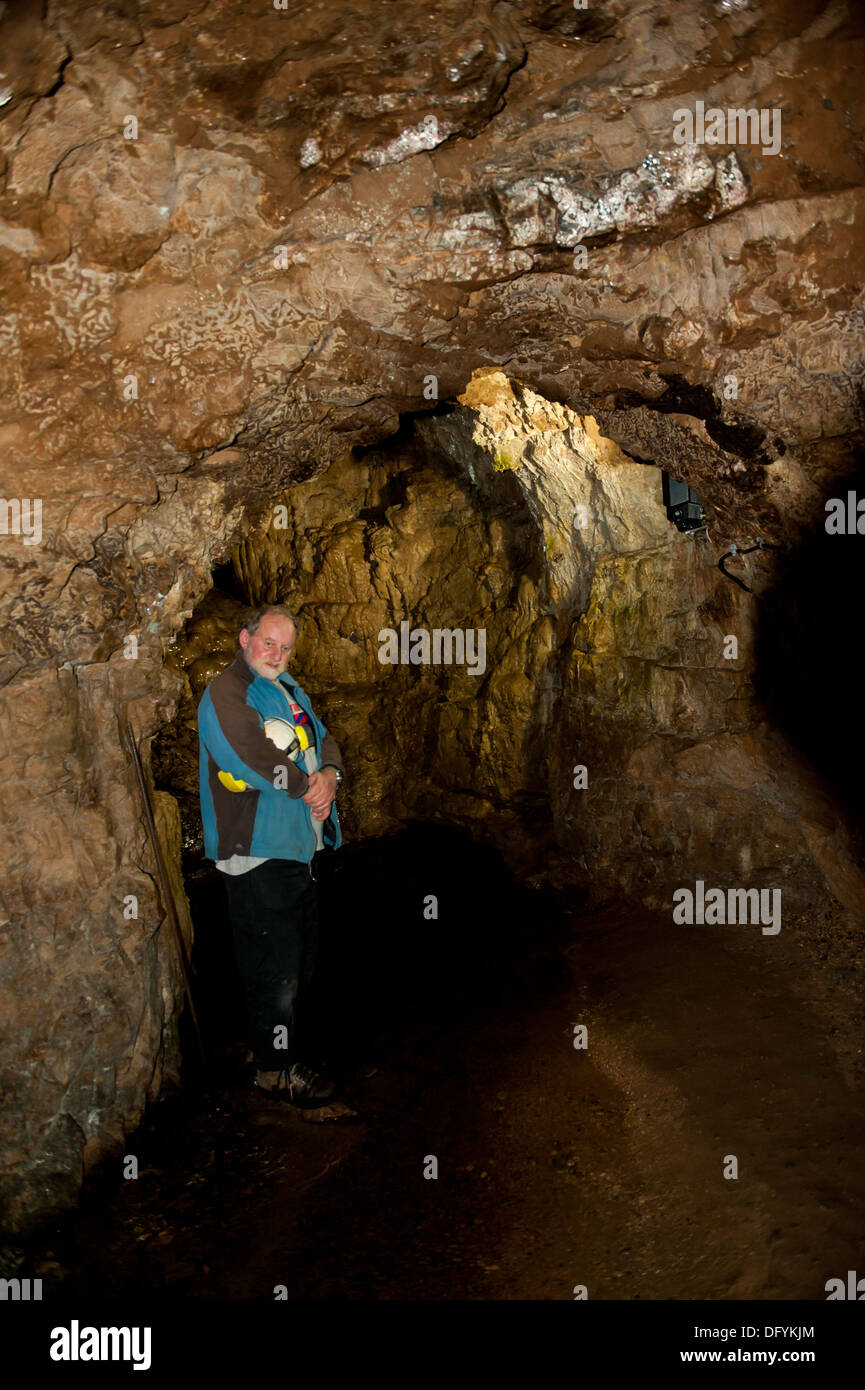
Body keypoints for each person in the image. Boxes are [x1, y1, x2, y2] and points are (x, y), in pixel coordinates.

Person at [197, 604, 345, 1108]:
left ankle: (270, 1048)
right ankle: (275, 1073)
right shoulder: (226, 692)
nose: (276, 654)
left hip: (298, 850)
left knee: (295, 964)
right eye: (268, 643)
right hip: (257, 853)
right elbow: (247, 754)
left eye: (284, 648)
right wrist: (307, 786)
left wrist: (330, 776)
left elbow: (325, 740)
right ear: (245, 638)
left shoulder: (289, 690)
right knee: (274, 969)